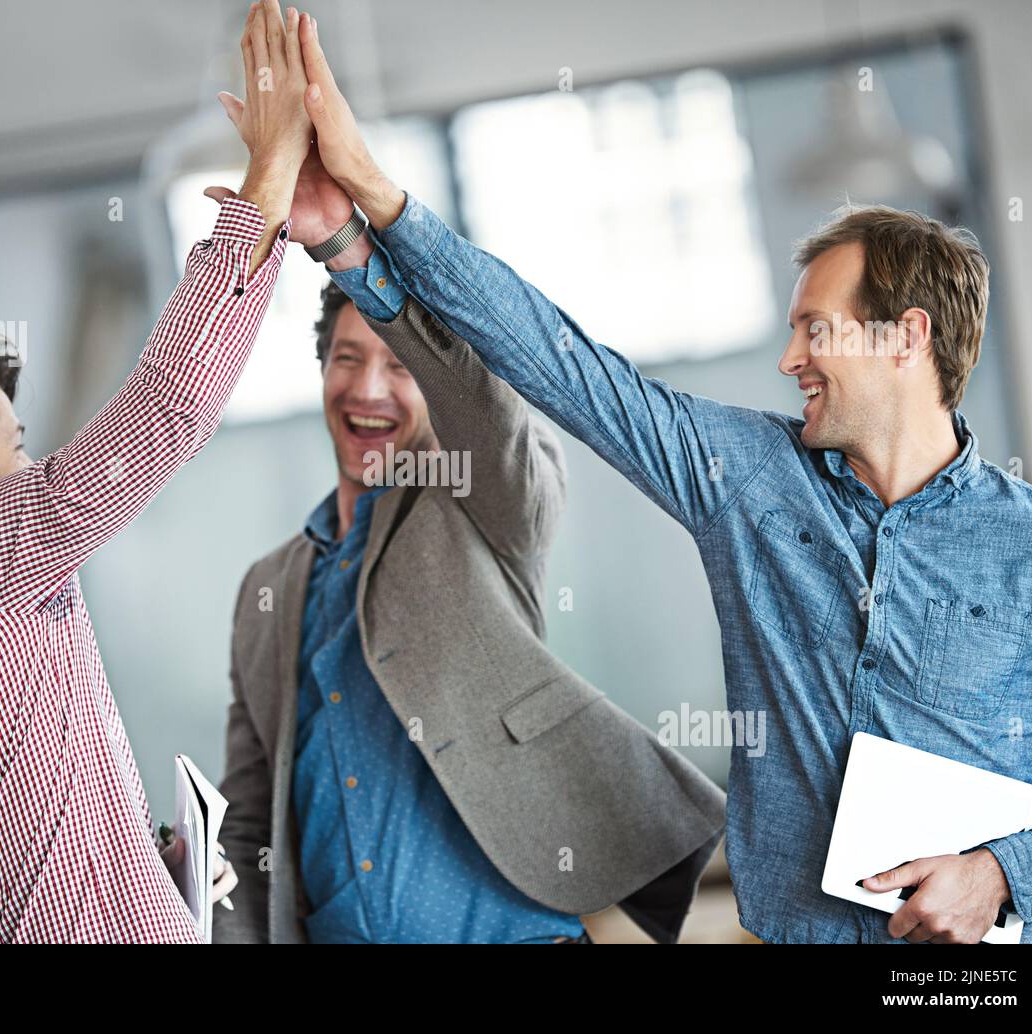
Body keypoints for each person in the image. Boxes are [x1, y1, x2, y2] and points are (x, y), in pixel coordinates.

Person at [282, 11, 1032, 944]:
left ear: (908, 338)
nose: (789, 360)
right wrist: (367, 212)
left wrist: (1002, 873)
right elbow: (555, 359)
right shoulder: (745, 476)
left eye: (815, 329)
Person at [210, 10, 724, 942]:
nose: (368, 390)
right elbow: (250, 823)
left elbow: (483, 391)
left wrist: (349, 248)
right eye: (345, 361)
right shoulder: (267, 588)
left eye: (396, 364)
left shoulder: (478, 500)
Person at [0, 0, 313, 943]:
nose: (39, 466)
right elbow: (165, 409)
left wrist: (144, 863)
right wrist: (268, 185)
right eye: (16, 446)